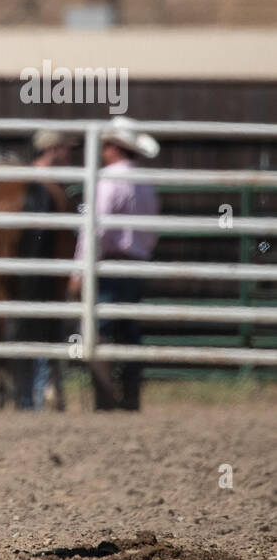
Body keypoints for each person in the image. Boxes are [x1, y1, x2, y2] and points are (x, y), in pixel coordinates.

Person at [67, 118, 160, 411]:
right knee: (128, 330)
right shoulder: (145, 183)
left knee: (100, 330)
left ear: (115, 148)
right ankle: (130, 399)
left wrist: (80, 270)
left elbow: (96, 230)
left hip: (109, 264)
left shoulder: (108, 179)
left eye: (106, 145)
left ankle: (106, 401)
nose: (103, 151)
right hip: (136, 262)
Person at [14, 129, 77, 410]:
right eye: (65, 149)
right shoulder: (52, 188)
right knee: (47, 322)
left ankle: (27, 396)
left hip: (23, 275)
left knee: (24, 324)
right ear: (53, 149)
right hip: (48, 274)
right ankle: (42, 390)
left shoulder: (23, 181)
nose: (70, 155)